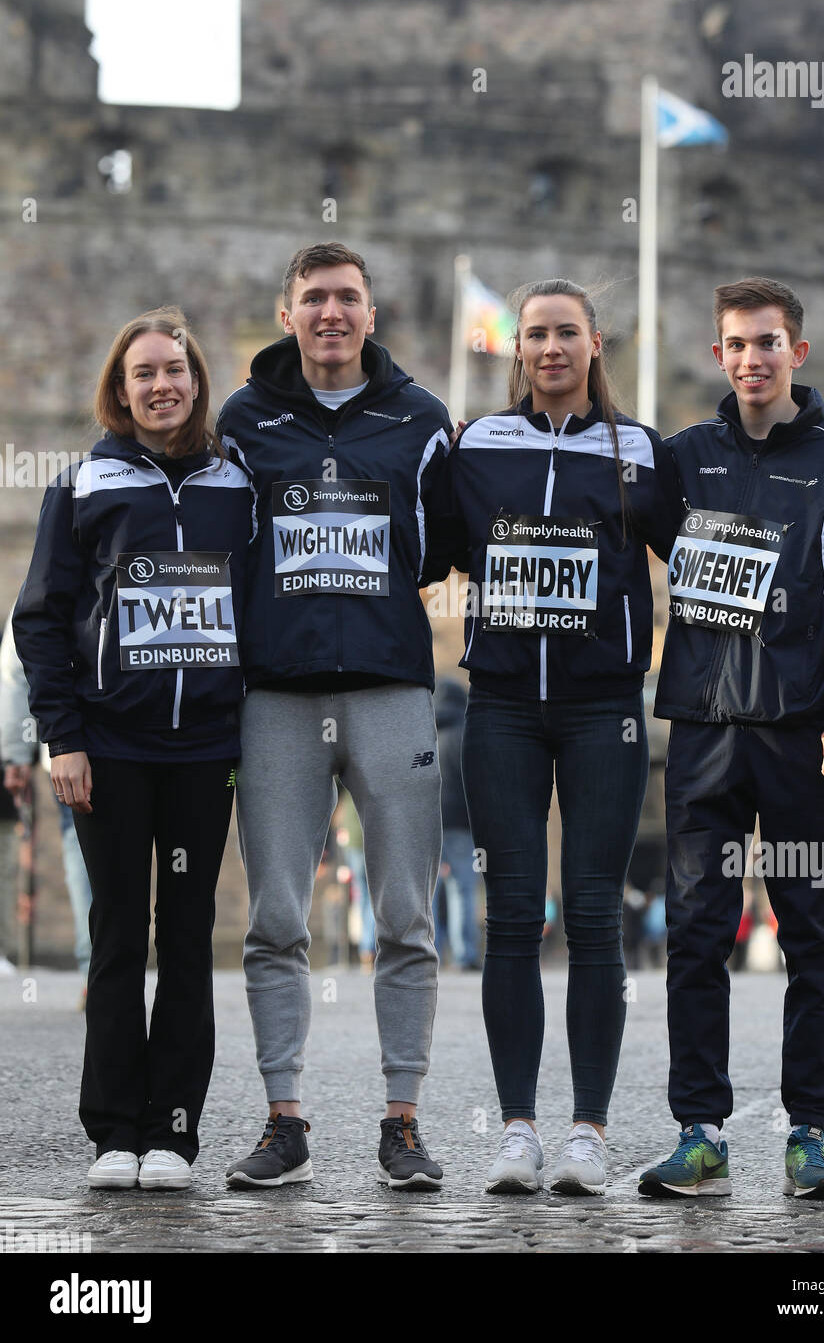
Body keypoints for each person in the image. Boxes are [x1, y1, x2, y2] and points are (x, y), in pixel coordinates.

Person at [640, 277, 824, 1200]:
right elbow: (600, 526)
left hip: (807, 744)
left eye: (768, 343)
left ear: (796, 353)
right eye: (735, 343)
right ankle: (700, 1133)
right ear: (716, 355)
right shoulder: (683, 459)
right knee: (696, 937)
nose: (752, 358)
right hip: (706, 740)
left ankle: (808, 1136)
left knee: (811, 939)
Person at [427, 279, 682, 1194]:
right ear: (517, 349)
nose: (550, 349)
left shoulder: (642, 453)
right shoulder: (475, 446)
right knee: (509, 920)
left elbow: (698, 562)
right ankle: (518, 1130)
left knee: (594, 916)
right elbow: (429, 550)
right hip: (499, 709)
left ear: (595, 343)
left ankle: (587, 1132)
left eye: (567, 333)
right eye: (535, 334)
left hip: (601, 710)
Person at [216, 242, 451, 1191]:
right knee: (276, 918)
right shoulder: (241, 419)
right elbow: (220, 543)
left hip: (391, 688)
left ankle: (403, 1123)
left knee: (407, 915)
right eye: (313, 298)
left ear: (371, 313)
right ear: (287, 314)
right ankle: (285, 1121)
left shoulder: (422, 417)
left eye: (347, 298)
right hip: (274, 694)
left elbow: (439, 549)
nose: (331, 313)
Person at [13, 308, 254, 1191]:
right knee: (118, 936)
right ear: (120, 388)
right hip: (109, 749)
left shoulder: (238, 485)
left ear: (197, 380)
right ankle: (114, 1129)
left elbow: (260, 612)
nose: (161, 385)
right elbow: (39, 620)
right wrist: (61, 739)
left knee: (189, 941)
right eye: (142, 372)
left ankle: (174, 1133)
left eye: (175, 369)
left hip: (203, 753)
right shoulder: (81, 485)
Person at [1, 612, 93, 1002]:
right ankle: (98, 968)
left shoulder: (50, 566)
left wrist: (17, 753)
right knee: (81, 854)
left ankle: (97, 971)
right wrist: (16, 750)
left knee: (84, 856)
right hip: (71, 748)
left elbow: (16, 666)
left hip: (71, 745)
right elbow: (19, 664)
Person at [432, 675, 481, 970]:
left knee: (428, 893)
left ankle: (430, 953)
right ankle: (465, 955)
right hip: (462, 824)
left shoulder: (424, 734)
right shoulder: (467, 734)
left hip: (428, 823)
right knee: (462, 889)